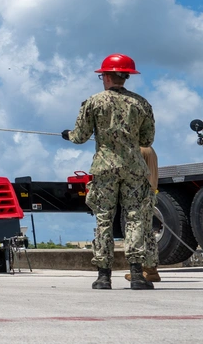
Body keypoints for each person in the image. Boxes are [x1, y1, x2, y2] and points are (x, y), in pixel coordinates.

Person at [63, 54, 155, 291]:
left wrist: (68, 135)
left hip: (104, 168)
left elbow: (79, 137)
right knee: (134, 218)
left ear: (106, 76)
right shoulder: (141, 104)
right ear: (125, 76)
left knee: (103, 219)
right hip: (134, 168)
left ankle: (103, 276)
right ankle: (136, 274)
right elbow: (147, 139)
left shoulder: (93, 102)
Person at [125, 146, 161, 284]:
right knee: (147, 233)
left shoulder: (138, 149)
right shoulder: (150, 149)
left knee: (139, 232)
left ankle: (146, 270)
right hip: (150, 192)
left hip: (140, 192)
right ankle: (151, 269)